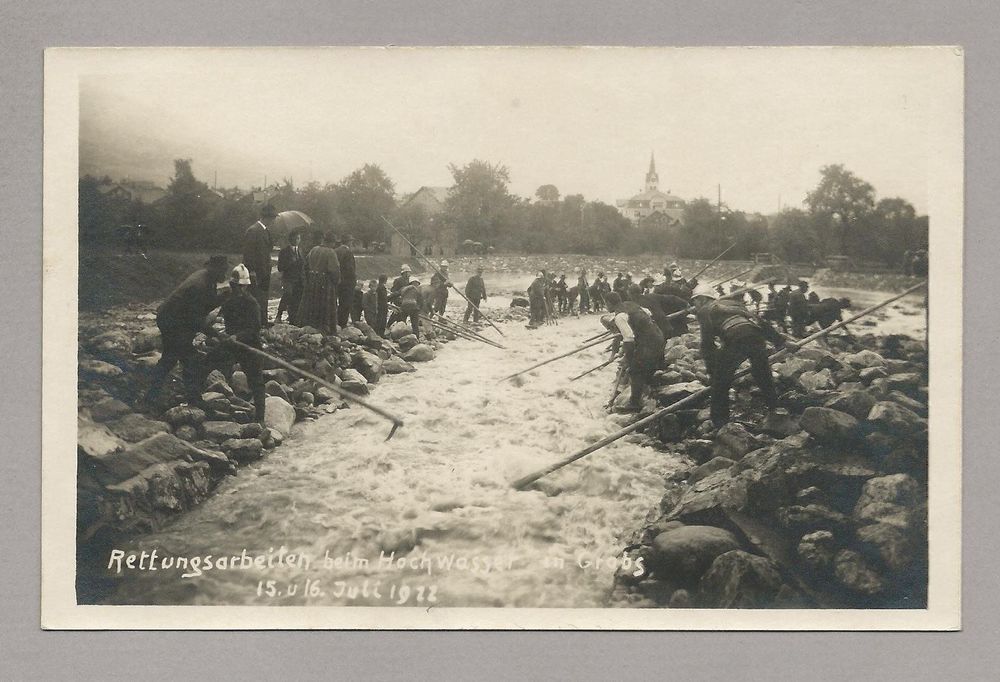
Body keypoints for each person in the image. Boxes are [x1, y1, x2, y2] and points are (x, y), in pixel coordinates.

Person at [143, 255, 230, 407]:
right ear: (214, 269)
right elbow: (196, 318)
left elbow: (205, 305)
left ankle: (153, 397)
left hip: (177, 320)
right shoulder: (200, 285)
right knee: (186, 360)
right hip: (172, 322)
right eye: (223, 271)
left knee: (173, 359)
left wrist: (223, 298)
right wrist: (215, 334)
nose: (225, 275)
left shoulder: (207, 278)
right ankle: (191, 399)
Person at [692, 285, 784, 428]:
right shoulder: (734, 304)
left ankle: (720, 422)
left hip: (736, 339)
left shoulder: (704, 311)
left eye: (695, 302)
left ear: (703, 299)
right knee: (762, 373)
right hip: (756, 337)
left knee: (721, 382)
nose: (694, 306)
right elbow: (759, 322)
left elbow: (707, 343)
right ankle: (775, 407)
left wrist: (713, 371)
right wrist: (780, 341)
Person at [201, 264, 267, 424]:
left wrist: (238, 336)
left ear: (246, 287)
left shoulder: (252, 303)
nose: (239, 290)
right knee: (207, 364)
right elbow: (217, 317)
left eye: (242, 287)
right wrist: (218, 333)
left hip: (249, 345)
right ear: (232, 285)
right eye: (236, 286)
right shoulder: (228, 299)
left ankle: (260, 420)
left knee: (256, 381)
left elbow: (255, 328)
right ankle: (203, 402)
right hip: (231, 344)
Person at [604, 292, 665, 412]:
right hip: (659, 335)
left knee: (634, 369)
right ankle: (650, 389)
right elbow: (648, 313)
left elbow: (628, 338)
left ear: (609, 303)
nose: (606, 307)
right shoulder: (630, 304)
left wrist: (628, 357)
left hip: (649, 342)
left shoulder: (619, 317)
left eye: (605, 304)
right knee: (645, 364)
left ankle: (634, 403)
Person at [297, 230, 341, 335]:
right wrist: (336, 282)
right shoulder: (330, 252)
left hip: (312, 281)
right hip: (325, 282)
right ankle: (325, 328)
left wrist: (308, 278)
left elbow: (305, 265)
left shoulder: (314, 249)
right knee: (325, 305)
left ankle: (310, 324)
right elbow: (334, 270)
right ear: (331, 242)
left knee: (311, 302)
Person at [241, 204, 276, 327]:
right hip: (256, 271)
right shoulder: (253, 230)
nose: (273, 221)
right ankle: (256, 322)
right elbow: (248, 253)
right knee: (256, 297)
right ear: (266, 217)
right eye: (272, 218)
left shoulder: (265, 230)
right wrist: (251, 271)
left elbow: (268, 247)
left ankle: (263, 320)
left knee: (263, 296)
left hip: (264, 270)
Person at [275, 230, 305, 325]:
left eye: (298, 238)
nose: (297, 240)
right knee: (288, 294)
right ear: (290, 239)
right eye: (295, 238)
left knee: (298, 297)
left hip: (299, 279)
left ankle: (293, 317)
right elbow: (280, 268)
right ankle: (279, 315)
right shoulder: (284, 252)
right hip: (288, 279)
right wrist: (290, 262)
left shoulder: (300, 251)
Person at [334, 237, 356, 328]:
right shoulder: (348, 252)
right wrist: (354, 280)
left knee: (335, 302)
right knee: (345, 303)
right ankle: (342, 323)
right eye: (351, 241)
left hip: (336, 281)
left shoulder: (335, 251)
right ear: (348, 242)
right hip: (347, 282)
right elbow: (350, 269)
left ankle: (335, 321)